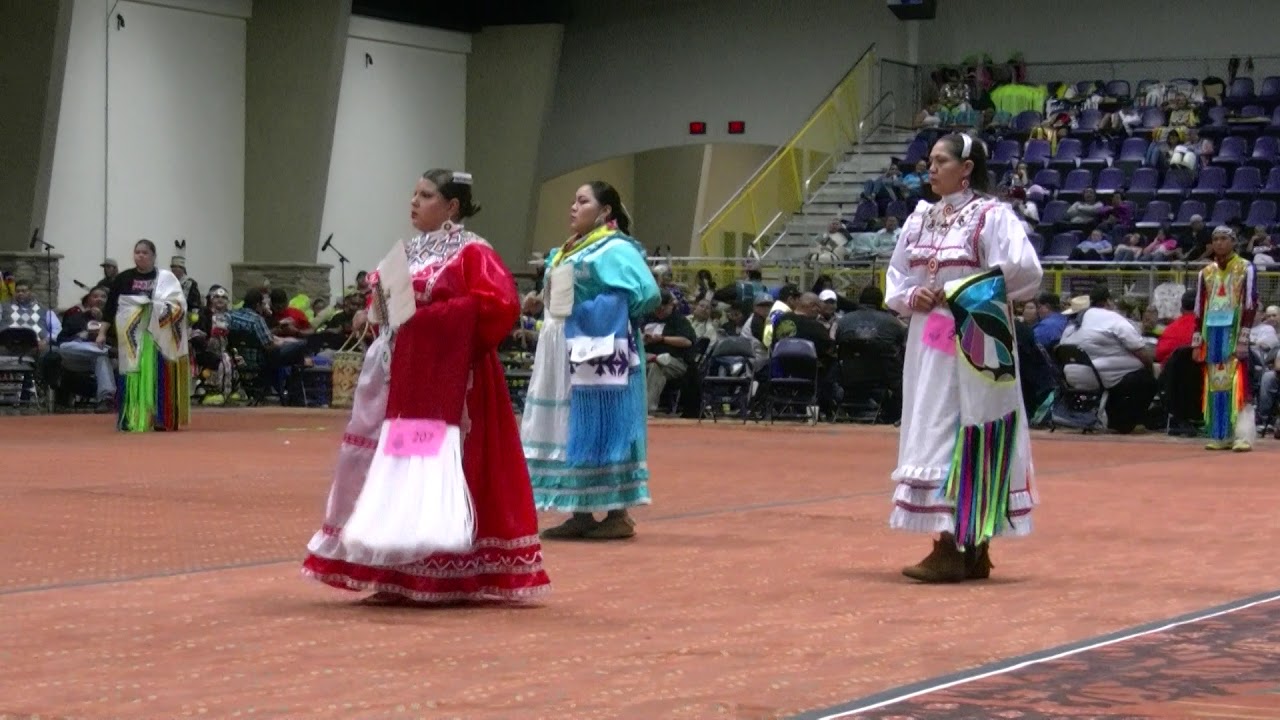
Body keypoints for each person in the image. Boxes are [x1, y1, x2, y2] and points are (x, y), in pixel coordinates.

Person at [302, 169, 550, 605]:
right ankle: (398, 566)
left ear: (452, 206)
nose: (414, 203)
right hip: (405, 376)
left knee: (445, 463)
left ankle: (447, 570)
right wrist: (373, 312)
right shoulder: (409, 252)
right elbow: (385, 303)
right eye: (413, 194)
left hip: (455, 380)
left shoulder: (473, 252)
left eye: (426, 195)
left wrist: (428, 319)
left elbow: (498, 305)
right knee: (401, 462)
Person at [884, 133, 1044, 583]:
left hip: (978, 334)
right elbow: (896, 275)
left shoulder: (991, 216)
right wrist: (914, 294)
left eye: (940, 161)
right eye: (929, 162)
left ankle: (959, 544)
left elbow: (1024, 270)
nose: (929, 169)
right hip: (931, 336)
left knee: (971, 423)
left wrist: (960, 293)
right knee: (935, 418)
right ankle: (965, 545)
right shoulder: (920, 219)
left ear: (966, 167)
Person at [522, 181, 661, 541]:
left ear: (605, 212)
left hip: (599, 346)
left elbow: (647, 294)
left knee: (605, 424)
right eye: (573, 200)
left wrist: (596, 313)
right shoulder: (567, 250)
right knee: (569, 423)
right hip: (560, 346)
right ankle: (580, 510)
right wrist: (541, 302)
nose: (573, 206)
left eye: (582, 201)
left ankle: (618, 513)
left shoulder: (615, 248)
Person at [95, 239, 190, 432]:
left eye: (145, 252)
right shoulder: (123, 279)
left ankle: (161, 418)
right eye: (137, 252)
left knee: (159, 374)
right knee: (132, 375)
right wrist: (102, 333)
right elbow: (111, 308)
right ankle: (131, 417)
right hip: (132, 337)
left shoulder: (165, 278)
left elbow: (179, 305)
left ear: (154, 256)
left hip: (159, 337)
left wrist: (154, 307)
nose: (140, 255)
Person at [1194, 225, 1258, 452]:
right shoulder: (1206, 273)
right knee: (1215, 382)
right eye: (1216, 239)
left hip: (1234, 331)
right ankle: (1221, 434)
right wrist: (1197, 341)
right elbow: (1200, 308)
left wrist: (1243, 338)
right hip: (1212, 333)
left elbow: (1250, 305)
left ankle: (1243, 435)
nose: (1219, 243)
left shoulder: (1245, 268)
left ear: (1234, 242)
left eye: (1224, 239)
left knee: (1238, 380)